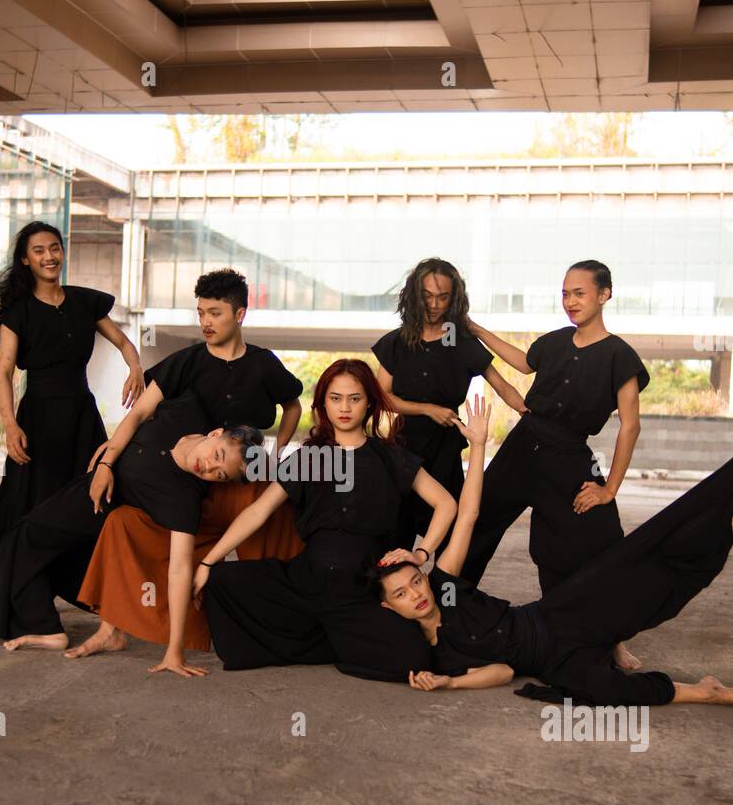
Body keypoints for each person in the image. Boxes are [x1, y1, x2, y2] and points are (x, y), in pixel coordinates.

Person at [354, 397, 733, 710]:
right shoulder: (433, 652)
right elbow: (503, 671)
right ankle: (705, 691)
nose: (417, 594)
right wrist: (449, 682)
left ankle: (722, 513)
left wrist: (482, 445)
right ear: (389, 607)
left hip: (558, 615)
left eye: (415, 582)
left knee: (640, 565)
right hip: (551, 661)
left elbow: (468, 516)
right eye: (402, 594)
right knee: (605, 693)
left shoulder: (445, 586)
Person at [71, 267, 304, 657]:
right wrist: (110, 455)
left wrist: (279, 452)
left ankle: (281, 617)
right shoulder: (187, 361)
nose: (206, 322)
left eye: (215, 313)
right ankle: (111, 628)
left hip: (242, 481)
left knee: (276, 517)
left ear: (239, 314)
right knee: (122, 524)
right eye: (200, 313)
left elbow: (293, 406)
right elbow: (140, 414)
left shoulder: (263, 364)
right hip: (194, 483)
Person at [0, 389, 261, 679]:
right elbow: (137, 416)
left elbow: (180, 568)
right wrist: (110, 452)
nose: (209, 467)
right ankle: (47, 625)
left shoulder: (183, 498)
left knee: (24, 537)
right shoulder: (187, 412)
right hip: (92, 479)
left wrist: (174, 651)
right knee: (27, 540)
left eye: (219, 474)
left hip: (96, 507)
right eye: (217, 455)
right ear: (214, 434)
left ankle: (47, 629)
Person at [193, 359, 456, 676]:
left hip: (360, 589)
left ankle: (336, 639)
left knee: (413, 656)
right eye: (335, 398)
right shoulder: (307, 457)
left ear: (369, 402)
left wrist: (421, 553)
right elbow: (258, 511)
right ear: (323, 404)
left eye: (354, 398)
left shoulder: (390, 456)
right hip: (306, 580)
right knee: (222, 582)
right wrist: (209, 562)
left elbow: (446, 503)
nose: (344, 407)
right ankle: (335, 641)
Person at [462, 259, 648, 671]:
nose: (570, 301)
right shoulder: (557, 340)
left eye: (579, 293)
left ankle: (610, 639)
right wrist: (475, 329)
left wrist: (610, 488)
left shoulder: (620, 355)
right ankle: (447, 614)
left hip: (569, 457)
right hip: (523, 446)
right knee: (474, 522)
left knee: (601, 544)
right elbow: (524, 361)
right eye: (565, 293)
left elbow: (630, 426)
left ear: (604, 295)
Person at [0, 221, 144, 580]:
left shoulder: (84, 302)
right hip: (38, 420)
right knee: (30, 501)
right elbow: (4, 373)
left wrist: (135, 367)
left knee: (94, 497)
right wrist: (10, 425)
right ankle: (16, 580)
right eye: (39, 250)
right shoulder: (18, 312)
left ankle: (87, 584)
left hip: (82, 417)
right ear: (26, 260)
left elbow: (123, 342)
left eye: (54, 248)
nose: (49, 256)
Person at [372, 257, 526, 554]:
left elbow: (503, 386)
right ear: (414, 295)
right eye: (426, 295)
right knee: (393, 536)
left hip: (445, 451)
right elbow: (382, 397)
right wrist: (427, 409)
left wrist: (530, 412)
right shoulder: (397, 342)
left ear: (453, 299)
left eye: (442, 297)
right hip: (402, 448)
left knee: (450, 536)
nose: (433, 304)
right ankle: (390, 598)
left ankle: (446, 595)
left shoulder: (461, 342)